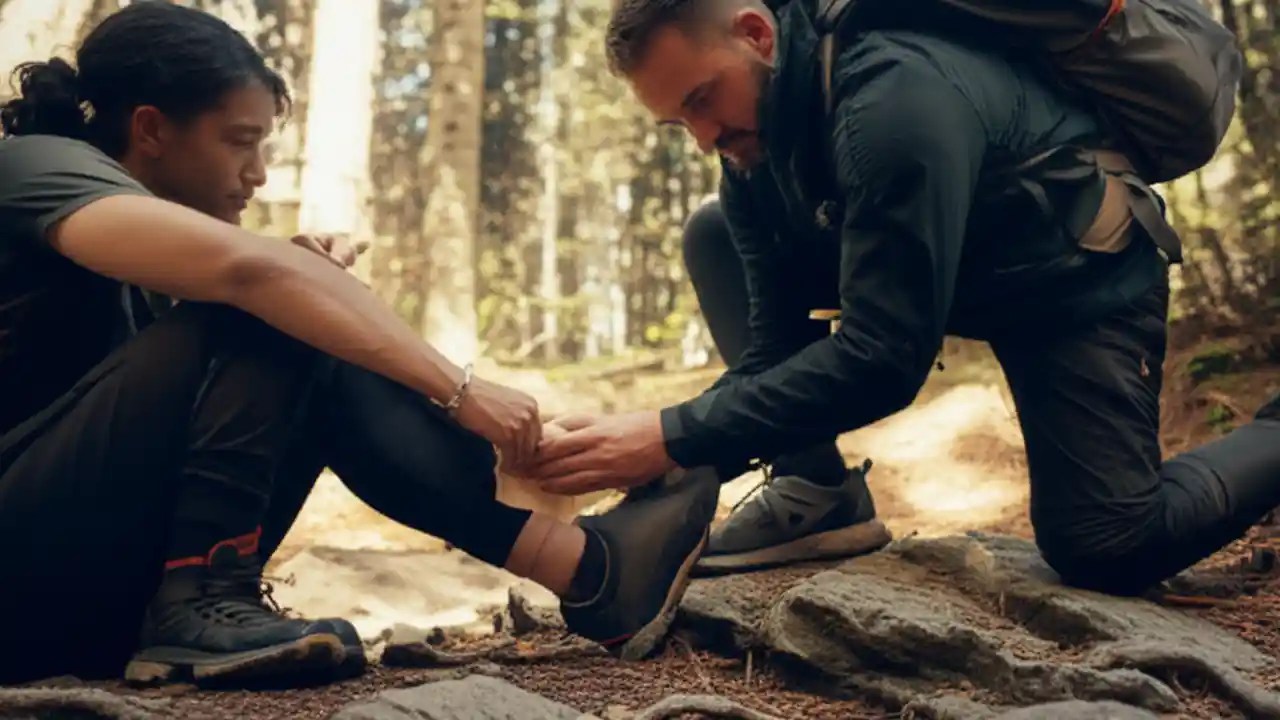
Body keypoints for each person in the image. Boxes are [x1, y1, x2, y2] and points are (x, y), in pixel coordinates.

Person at [0, 2, 717, 687]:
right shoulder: (32, 165)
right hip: (22, 588)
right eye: (240, 142)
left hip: (79, 586)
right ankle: (199, 603)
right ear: (151, 128)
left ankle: (592, 571)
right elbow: (250, 275)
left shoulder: (141, 238)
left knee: (299, 309)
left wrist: (305, 281)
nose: (257, 174)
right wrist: (460, 390)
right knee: (278, 299)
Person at [530, 0, 1280, 595]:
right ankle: (815, 492)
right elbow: (773, 350)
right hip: (954, 266)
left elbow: (885, 360)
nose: (701, 137)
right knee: (715, 231)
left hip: (1070, 276)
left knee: (1108, 545)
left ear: (756, 34)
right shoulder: (753, 152)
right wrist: (662, 457)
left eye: (702, 99)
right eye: (677, 121)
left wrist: (670, 433)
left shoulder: (889, 97)